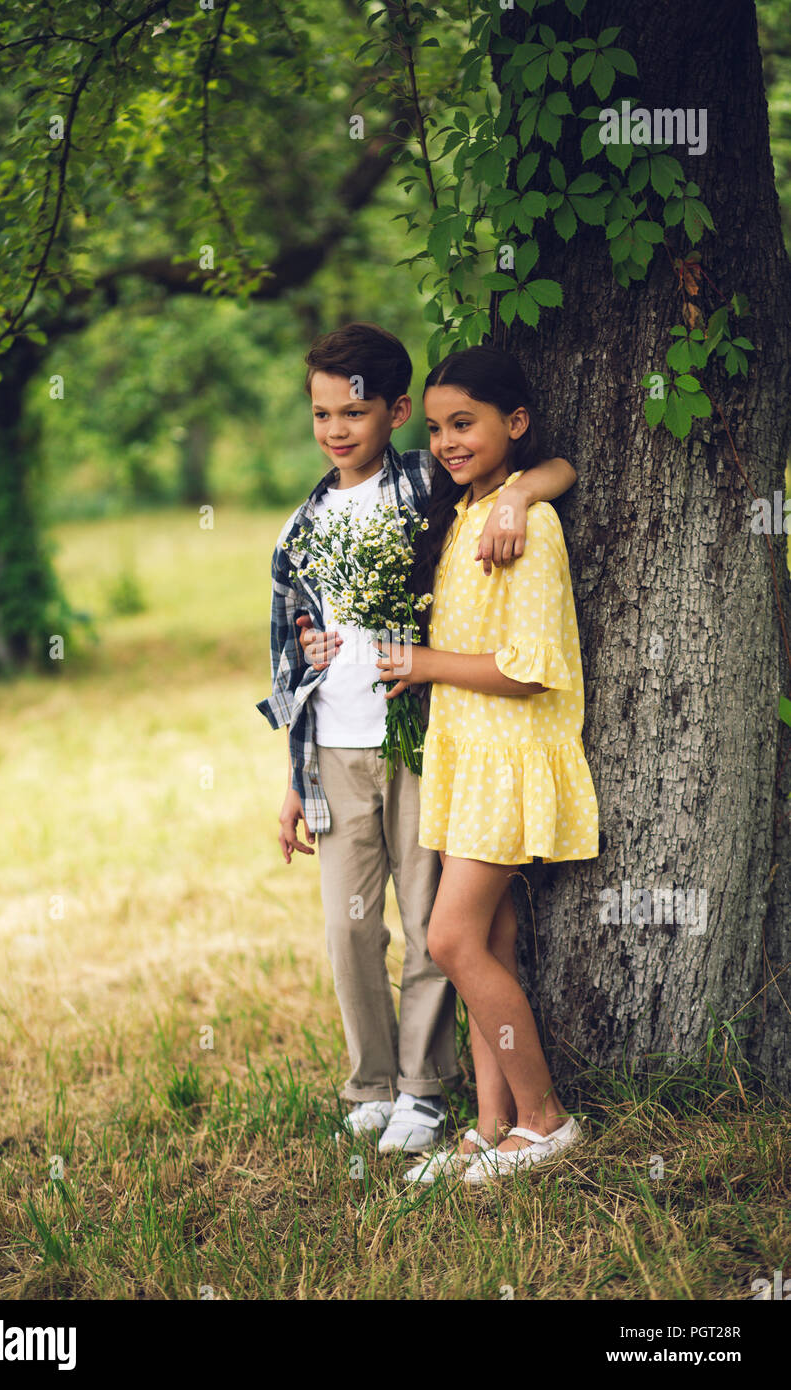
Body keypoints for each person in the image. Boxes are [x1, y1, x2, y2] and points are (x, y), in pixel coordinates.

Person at [257, 322, 577, 1154]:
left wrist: (519, 494)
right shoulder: (304, 529)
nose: (335, 429)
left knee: (437, 924)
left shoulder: (429, 489)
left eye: (352, 413)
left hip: (425, 742)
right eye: (321, 413)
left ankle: (429, 1094)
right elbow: (288, 648)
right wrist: (298, 751)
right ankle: (393, 1091)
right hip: (343, 746)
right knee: (353, 926)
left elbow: (550, 468)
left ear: (392, 414)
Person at [374, 344, 599, 1184]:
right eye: (434, 428)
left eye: (462, 423)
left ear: (516, 423)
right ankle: (490, 1124)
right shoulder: (472, 511)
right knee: (491, 939)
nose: (445, 441)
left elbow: (527, 665)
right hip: (466, 756)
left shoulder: (526, 523)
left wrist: (419, 664)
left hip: (509, 758)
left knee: (451, 937)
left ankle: (544, 1120)